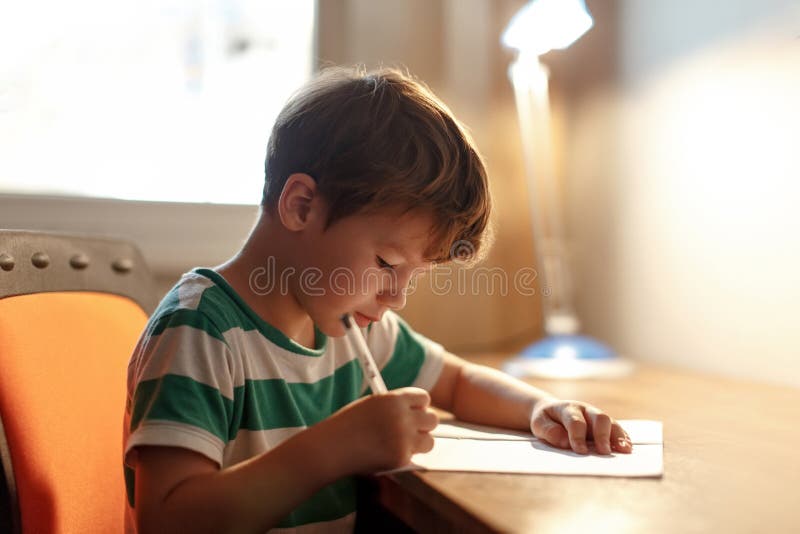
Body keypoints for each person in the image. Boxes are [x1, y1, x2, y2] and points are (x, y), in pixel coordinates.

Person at [123, 66, 632, 533]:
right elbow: (169, 520)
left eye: (415, 275)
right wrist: (332, 449)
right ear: (301, 206)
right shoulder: (200, 330)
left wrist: (541, 407)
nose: (398, 297)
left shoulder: (349, 325)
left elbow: (456, 381)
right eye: (388, 264)